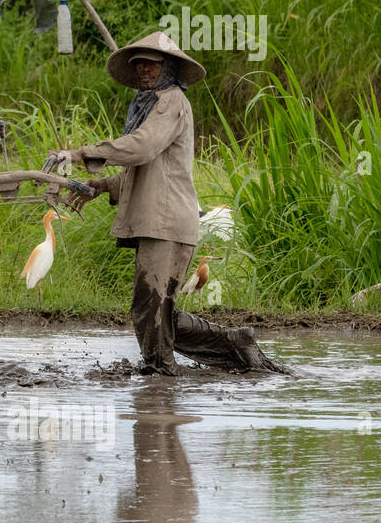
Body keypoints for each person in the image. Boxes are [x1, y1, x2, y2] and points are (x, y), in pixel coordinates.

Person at [51, 31, 289, 376]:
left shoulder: (171, 101)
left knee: (152, 307)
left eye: (153, 64)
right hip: (158, 220)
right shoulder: (147, 107)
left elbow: (141, 147)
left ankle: (164, 373)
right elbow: (150, 170)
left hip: (167, 222)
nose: (145, 70)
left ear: (168, 68)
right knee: (154, 308)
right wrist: (102, 186)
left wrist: (81, 154)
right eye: (139, 64)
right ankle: (227, 345)